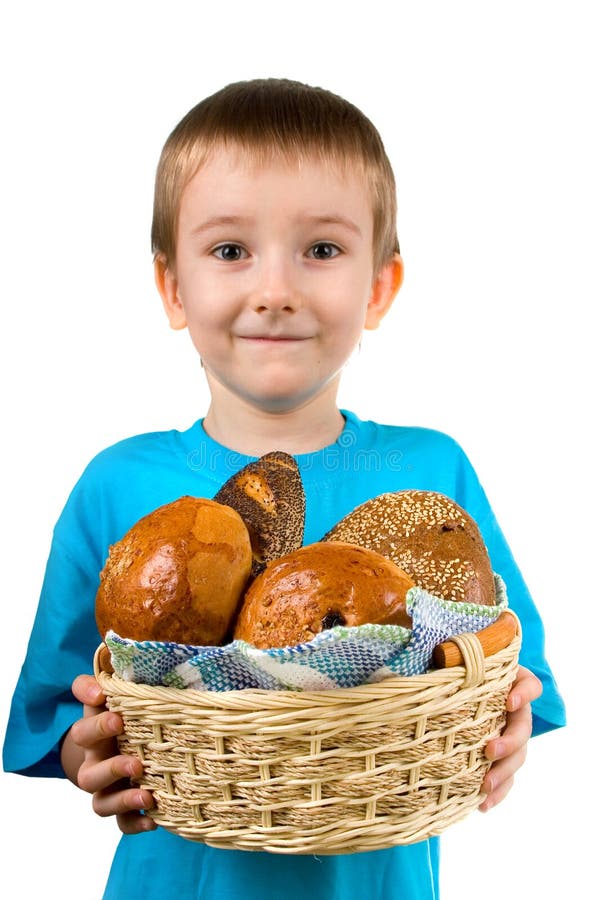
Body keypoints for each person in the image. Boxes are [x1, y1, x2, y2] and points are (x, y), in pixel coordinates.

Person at [3, 78, 565, 900]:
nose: (276, 289)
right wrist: (87, 752)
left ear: (379, 286)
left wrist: (509, 724)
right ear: (172, 288)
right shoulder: (116, 485)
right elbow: (55, 709)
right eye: (231, 251)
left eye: (323, 250)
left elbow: (508, 668)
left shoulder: (434, 475)